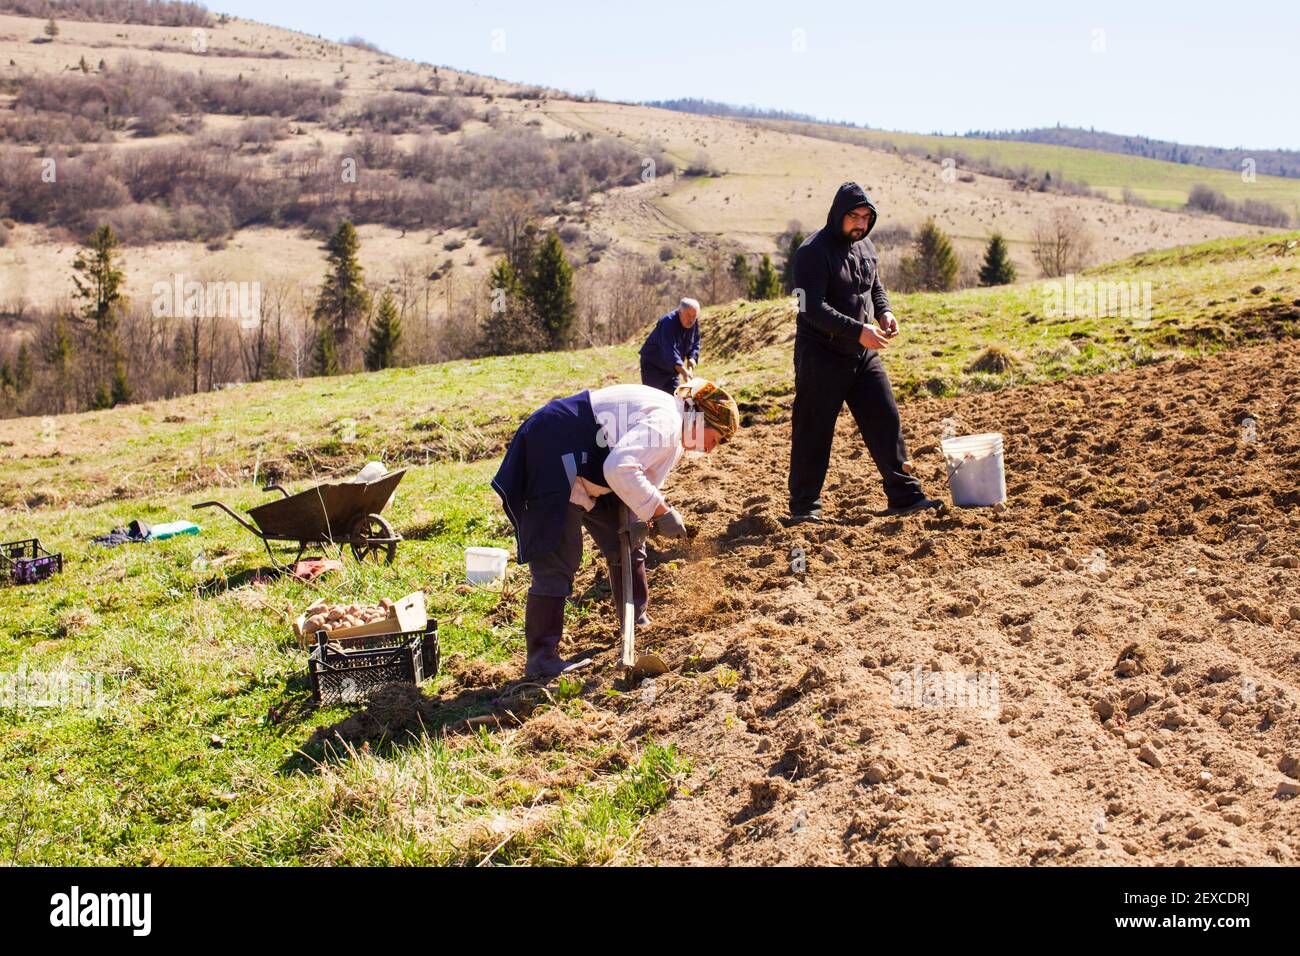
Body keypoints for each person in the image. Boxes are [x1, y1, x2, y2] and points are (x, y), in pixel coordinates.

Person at [492, 378, 740, 679]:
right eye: (716, 438)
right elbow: (620, 468)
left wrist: (645, 517)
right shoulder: (668, 422)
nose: (712, 449)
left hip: (588, 466)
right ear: (702, 419)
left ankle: (636, 622)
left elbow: (634, 481)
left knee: (627, 539)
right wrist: (661, 511)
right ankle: (541, 658)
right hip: (552, 452)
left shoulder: (673, 434)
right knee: (560, 556)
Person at [787, 182, 942, 523]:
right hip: (821, 355)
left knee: (885, 420)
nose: (859, 223)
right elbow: (809, 307)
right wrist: (859, 330)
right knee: (813, 430)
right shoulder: (811, 252)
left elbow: (874, 285)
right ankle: (804, 508)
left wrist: (884, 312)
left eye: (865, 217)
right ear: (837, 215)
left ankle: (904, 496)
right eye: (853, 216)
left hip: (862, 353)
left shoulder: (865, 245)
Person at [639, 298, 701, 394]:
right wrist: (683, 371)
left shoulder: (693, 322)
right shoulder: (668, 322)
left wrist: (692, 357)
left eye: (694, 316)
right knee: (653, 398)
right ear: (680, 312)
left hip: (672, 370)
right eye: (688, 315)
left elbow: (695, 341)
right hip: (653, 367)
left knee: (674, 399)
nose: (691, 319)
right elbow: (669, 350)